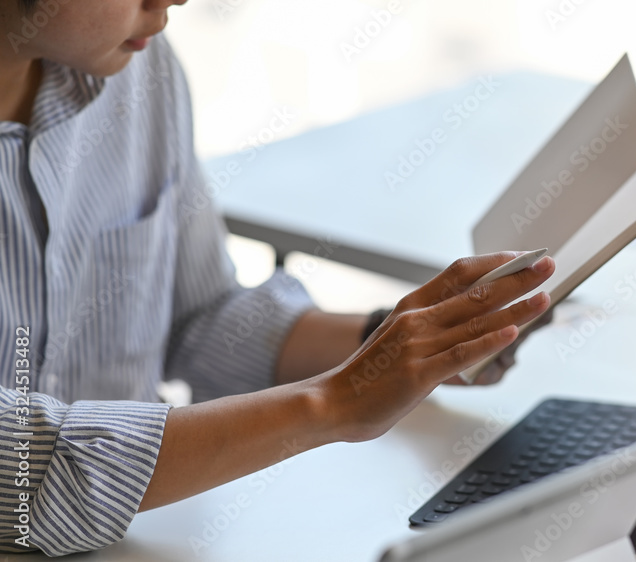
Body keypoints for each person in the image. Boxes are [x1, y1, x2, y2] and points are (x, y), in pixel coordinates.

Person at [0, 0, 555, 555]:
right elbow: (23, 474)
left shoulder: (141, 72)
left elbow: (200, 318)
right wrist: (333, 403)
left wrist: (396, 345)